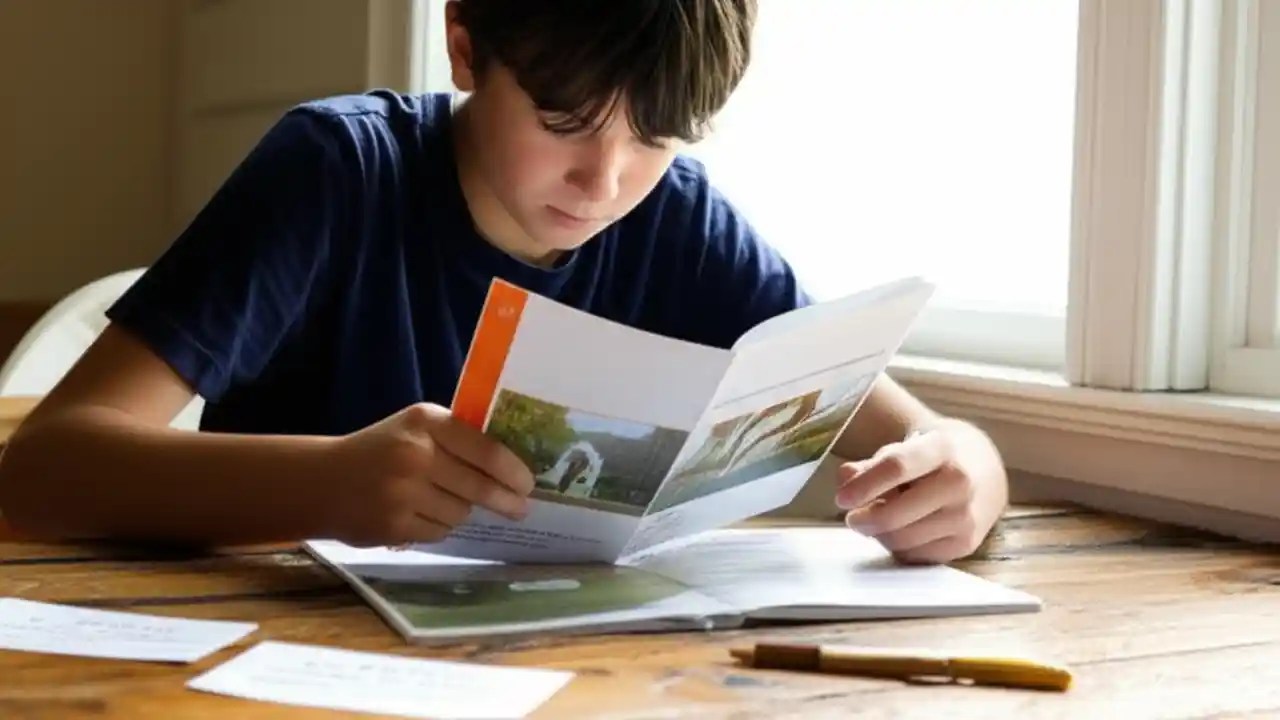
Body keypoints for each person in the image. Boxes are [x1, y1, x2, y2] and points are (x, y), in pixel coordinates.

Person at [0, 0, 1007, 564]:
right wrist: (325, 485)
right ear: (466, 44)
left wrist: (966, 471)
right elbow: (44, 470)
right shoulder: (333, 171)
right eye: (564, 122)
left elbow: (913, 432)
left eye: (655, 136)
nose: (603, 182)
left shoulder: (679, 218)